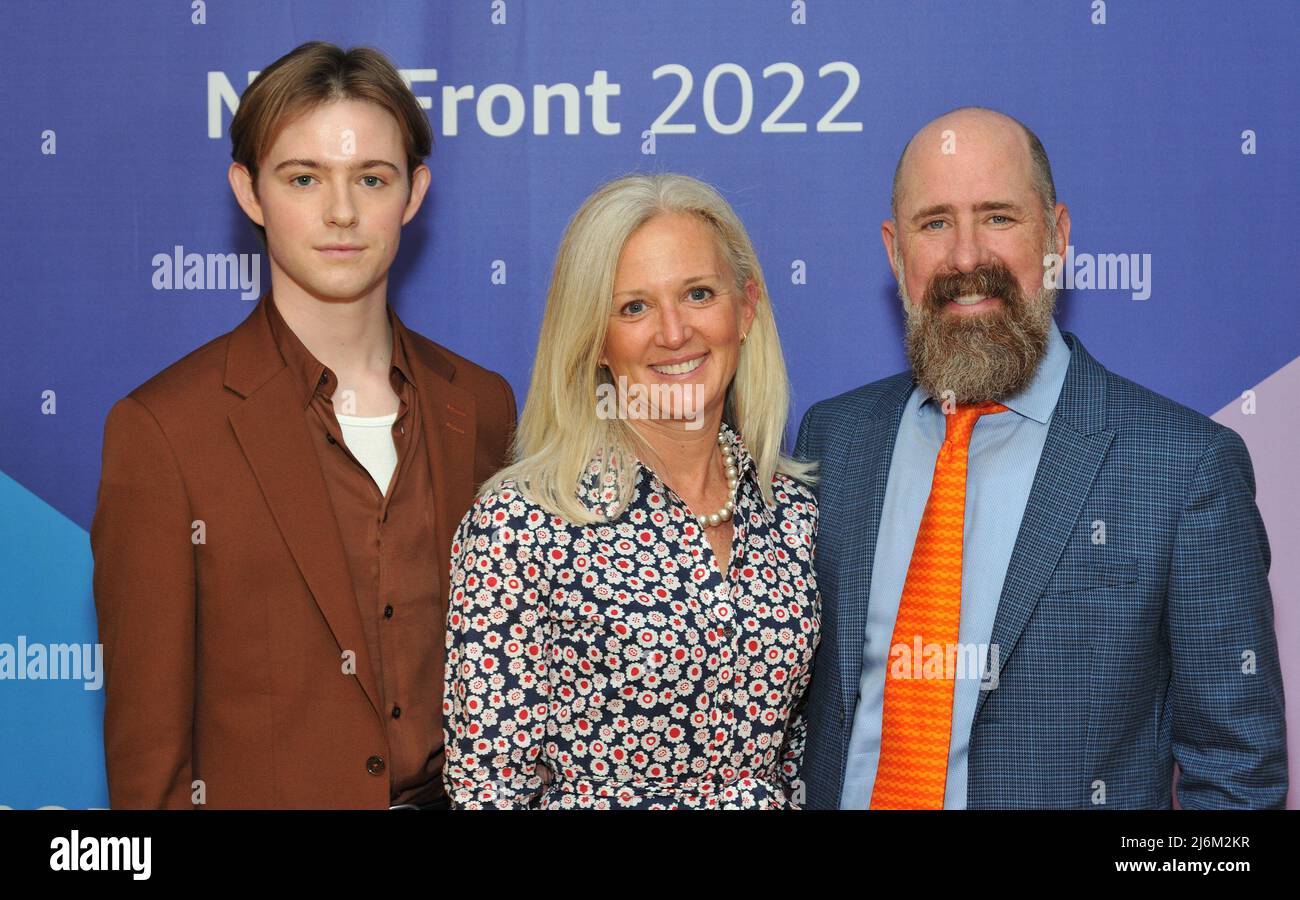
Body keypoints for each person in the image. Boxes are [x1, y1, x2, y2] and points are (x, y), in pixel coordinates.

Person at [796, 106, 1287, 809]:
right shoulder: (832, 440)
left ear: (1056, 236)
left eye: (998, 217)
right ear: (894, 251)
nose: (966, 258)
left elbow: (1237, 776)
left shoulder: (1185, 469)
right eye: (935, 223)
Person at [91, 42, 515, 809]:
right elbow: (149, 758)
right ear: (249, 192)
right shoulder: (163, 431)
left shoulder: (482, 406)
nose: (342, 212)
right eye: (304, 178)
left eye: (371, 179)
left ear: (414, 193)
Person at [441, 173, 820, 808]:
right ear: (595, 339)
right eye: (634, 307)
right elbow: (489, 793)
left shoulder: (795, 513)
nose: (673, 333)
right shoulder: (521, 525)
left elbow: (801, 751)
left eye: (698, 294)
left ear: (746, 308)